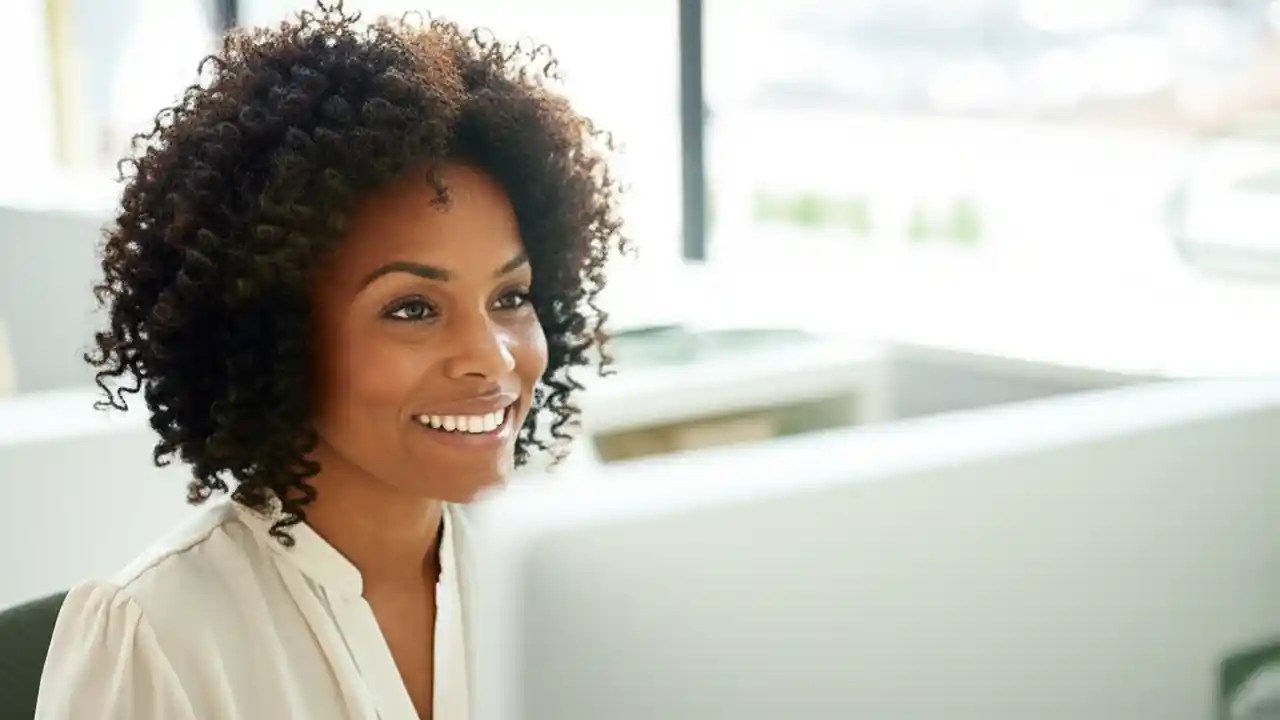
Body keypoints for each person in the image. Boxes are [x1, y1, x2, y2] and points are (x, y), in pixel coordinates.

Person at [34, 2, 624, 718]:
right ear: (274, 334)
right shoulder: (160, 640)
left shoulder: (563, 584)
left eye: (510, 297)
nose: (490, 358)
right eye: (412, 308)